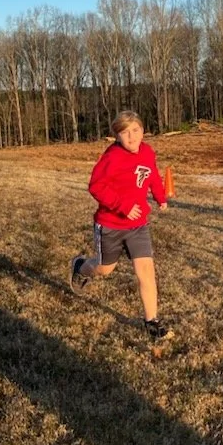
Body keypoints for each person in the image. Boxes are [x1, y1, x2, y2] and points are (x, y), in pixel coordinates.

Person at [70, 110, 173, 340]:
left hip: (137, 225)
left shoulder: (147, 152)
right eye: (125, 133)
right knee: (104, 270)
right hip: (110, 225)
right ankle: (79, 267)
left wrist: (160, 196)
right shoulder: (112, 158)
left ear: (143, 131)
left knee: (146, 271)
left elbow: (152, 175)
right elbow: (96, 186)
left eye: (135, 130)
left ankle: (152, 322)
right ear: (117, 136)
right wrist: (122, 206)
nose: (132, 137)